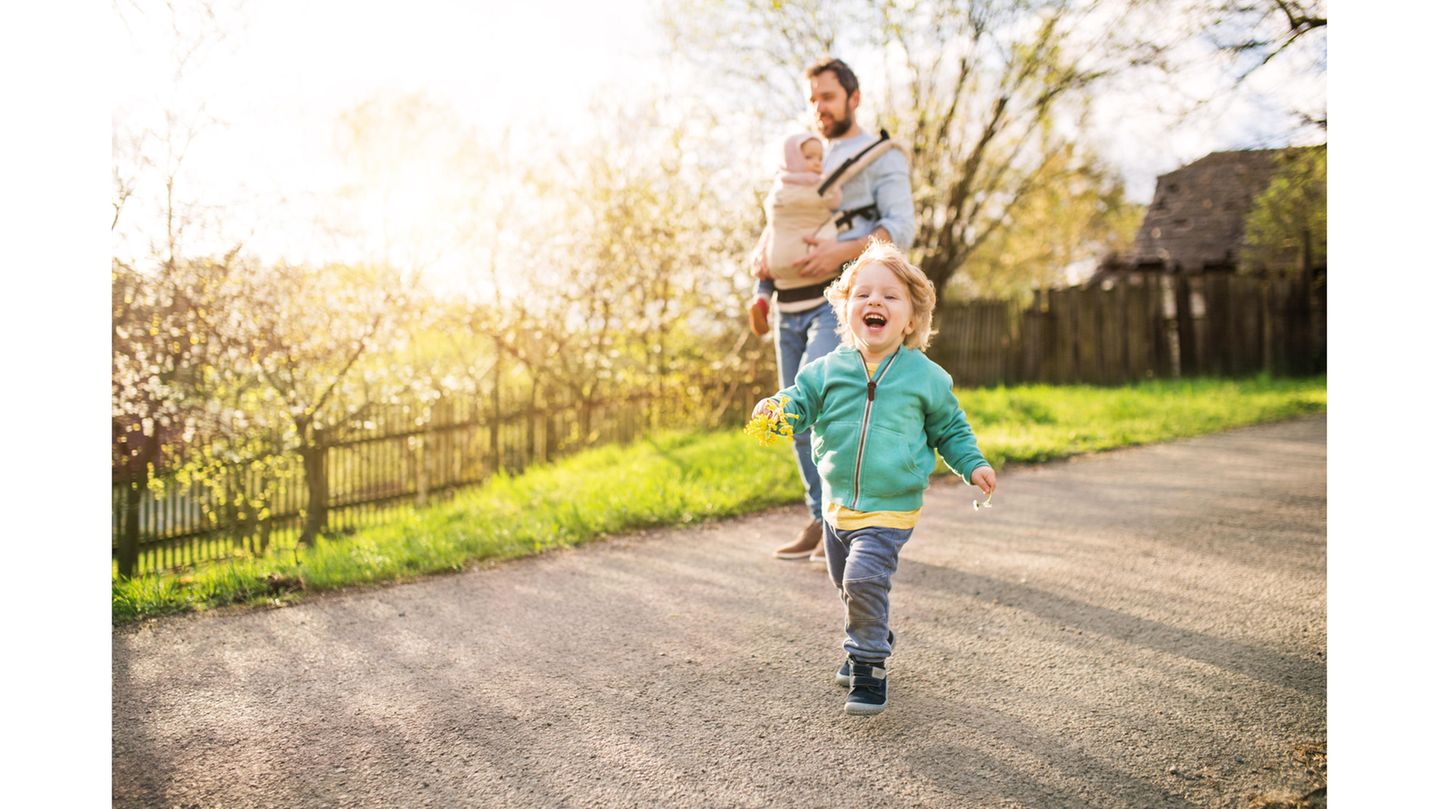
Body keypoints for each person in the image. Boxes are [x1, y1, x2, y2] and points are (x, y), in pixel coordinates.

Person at [750, 240, 998, 715]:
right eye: (863, 294)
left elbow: (950, 429)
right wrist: (776, 412)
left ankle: (867, 664)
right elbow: (798, 403)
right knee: (846, 582)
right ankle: (873, 628)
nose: (875, 302)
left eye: (889, 296)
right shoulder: (827, 371)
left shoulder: (925, 377)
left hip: (891, 508)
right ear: (846, 312)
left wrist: (973, 464)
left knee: (864, 579)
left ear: (911, 319)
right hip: (836, 506)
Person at [755, 56, 917, 564]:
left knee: (812, 396)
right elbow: (779, 219)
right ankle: (820, 515)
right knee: (792, 413)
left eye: (827, 97)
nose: (819, 109)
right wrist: (761, 262)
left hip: (838, 300)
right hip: (789, 301)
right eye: (812, 100)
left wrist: (837, 251)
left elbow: (900, 228)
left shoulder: (880, 156)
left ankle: (843, 523)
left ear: (853, 97)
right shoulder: (804, 156)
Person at [745, 132, 844, 338]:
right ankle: (761, 300)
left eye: (820, 158)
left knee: (764, 270)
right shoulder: (819, 186)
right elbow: (836, 202)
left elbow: (774, 226)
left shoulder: (778, 188)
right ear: (792, 159)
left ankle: (761, 299)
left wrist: (761, 250)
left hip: (777, 263)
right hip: (803, 267)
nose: (817, 163)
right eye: (809, 158)